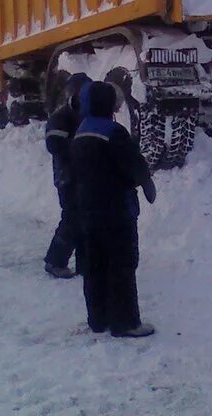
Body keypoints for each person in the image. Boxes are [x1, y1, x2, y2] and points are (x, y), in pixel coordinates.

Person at [69, 80, 156, 338]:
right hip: (116, 211)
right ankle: (126, 322)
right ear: (110, 104)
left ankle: (98, 319)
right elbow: (133, 166)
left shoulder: (81, 131)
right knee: (121, 264)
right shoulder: (114, 132)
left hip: (87, 210)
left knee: (94, 265)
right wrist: (145, 184)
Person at [43, 73, 91, 279]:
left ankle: (84, 263)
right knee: (72, 217)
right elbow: (53, 143)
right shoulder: (61, 116)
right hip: (67, 175)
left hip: (83, 175)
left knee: (85, 218)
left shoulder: (86, 115)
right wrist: (76, 149)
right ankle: (55, 261)